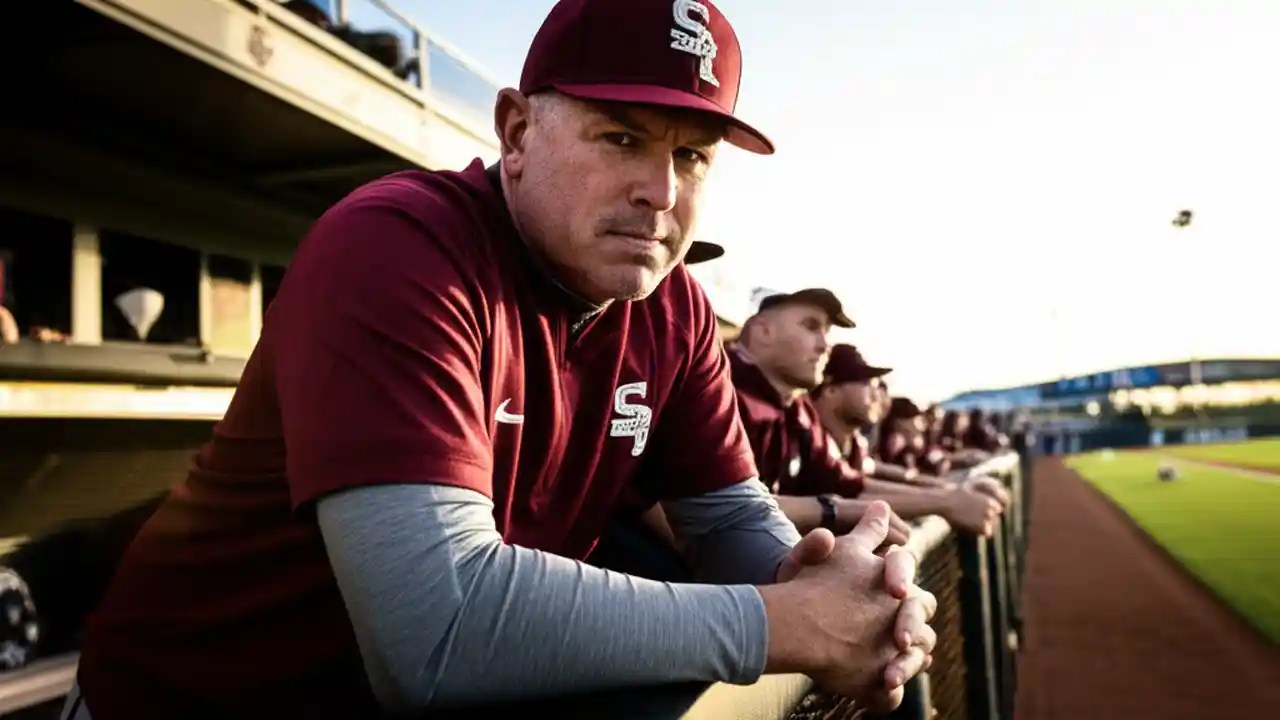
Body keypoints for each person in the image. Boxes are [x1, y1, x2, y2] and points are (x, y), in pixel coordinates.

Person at [66, 1, 936, 718]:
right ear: (516, 132)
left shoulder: (669, 305)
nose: (661, 192)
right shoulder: (398, 245)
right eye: (621, 138)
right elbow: (437, 631)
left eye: (691, 156)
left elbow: (728, 521)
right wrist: (782, 623)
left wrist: (846, 591)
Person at [728, 291, 1005, 536]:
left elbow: (849, 485)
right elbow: (724, 507)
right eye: (811, 326)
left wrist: (948, 497)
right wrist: (838, 510)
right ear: (763, 332)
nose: (825, 345)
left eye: (827, 332)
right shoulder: (720, 393)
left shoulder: (795, 407)